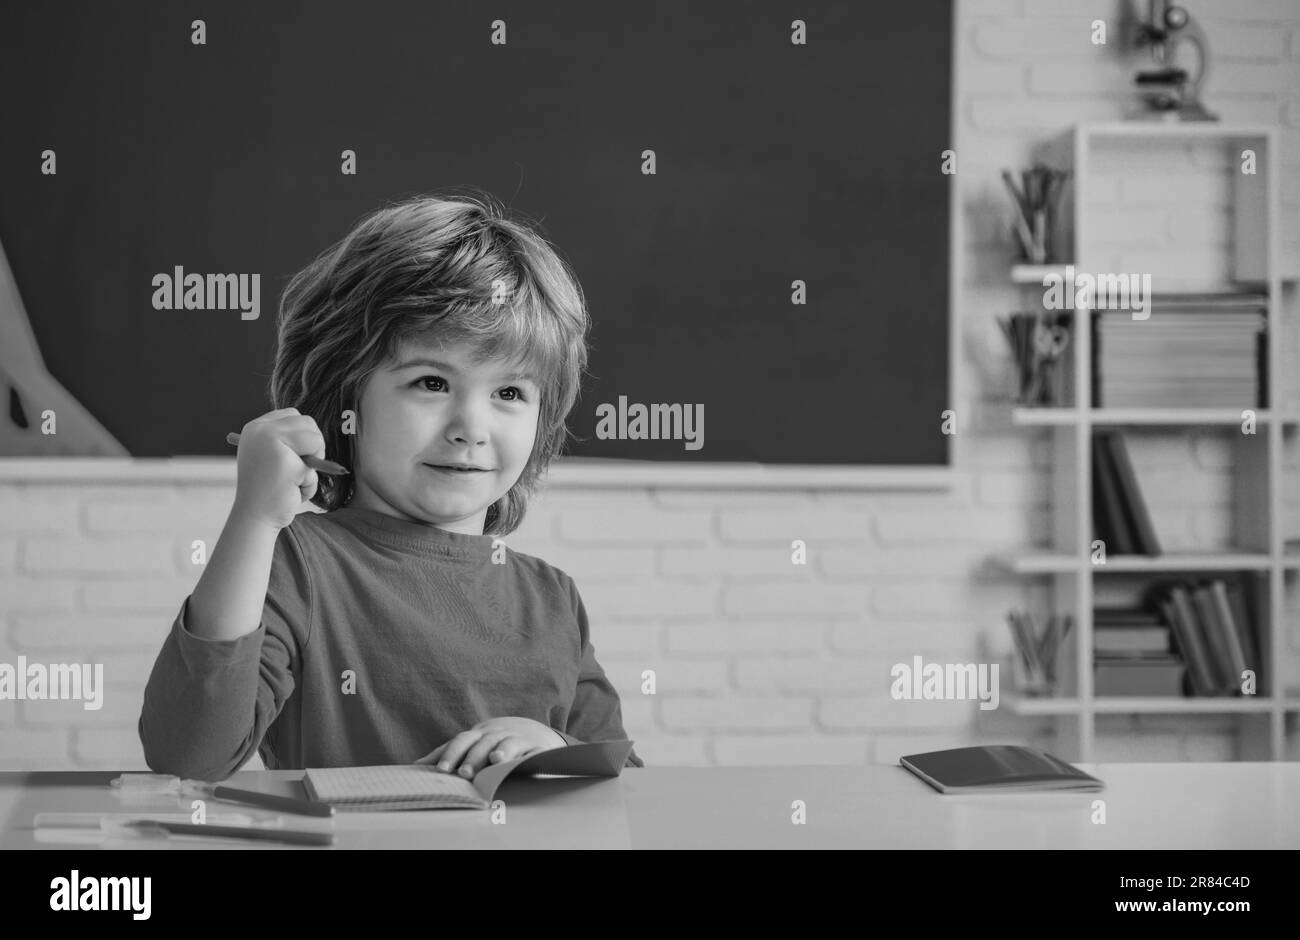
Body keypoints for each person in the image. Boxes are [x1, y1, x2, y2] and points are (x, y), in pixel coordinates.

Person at [138, 192, 643, 781]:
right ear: (347, 395)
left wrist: (550, 740)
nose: (470, 430)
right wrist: (252, 518)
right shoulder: (298, 564)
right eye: (431, 382)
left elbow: (626, 782)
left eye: (509, 393)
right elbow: (189, 756)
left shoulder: (553, 598)